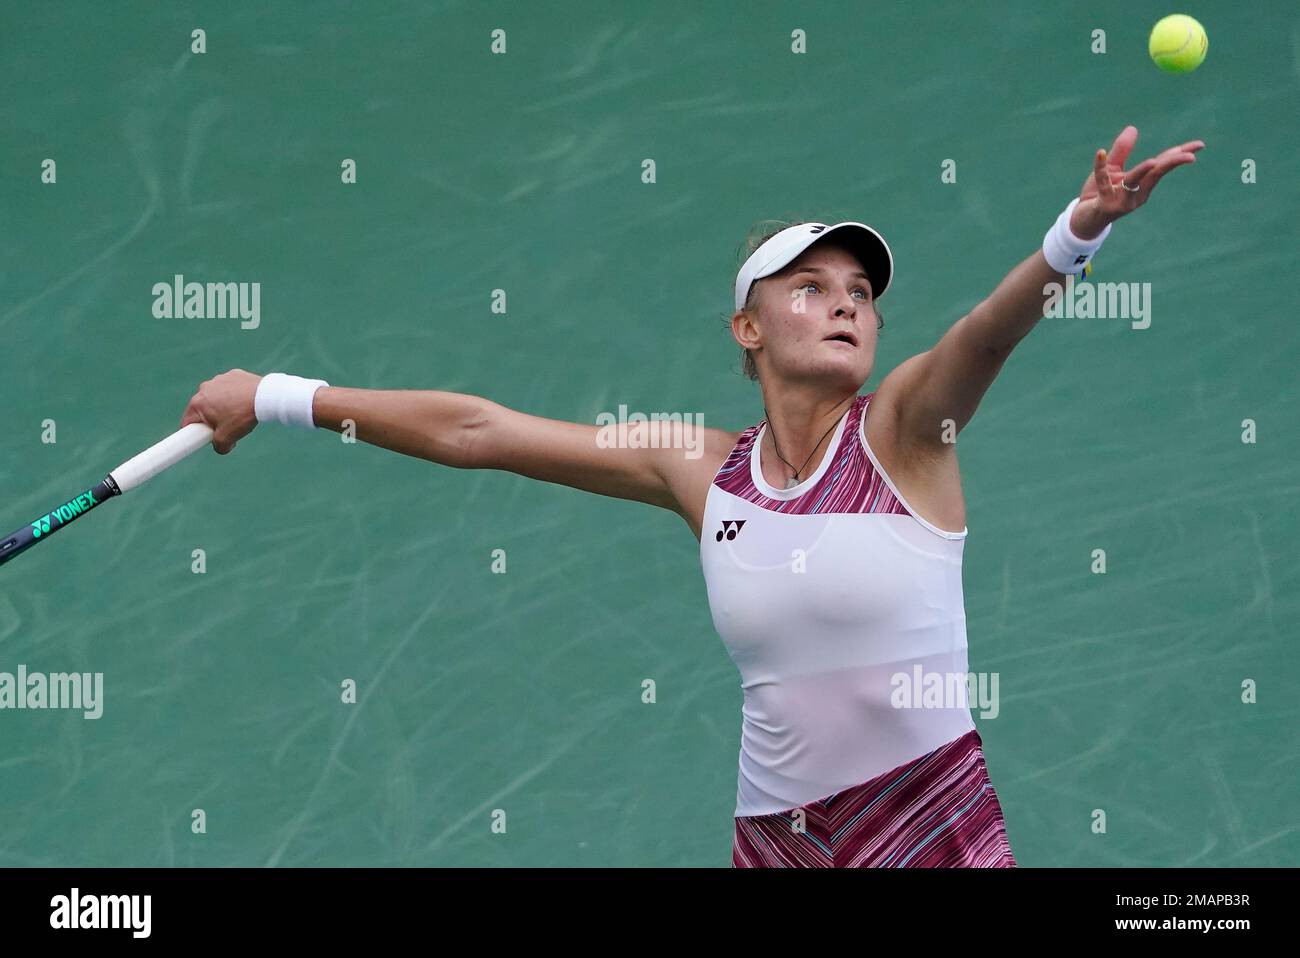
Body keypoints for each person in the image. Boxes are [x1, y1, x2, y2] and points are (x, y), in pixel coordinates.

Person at [181, 125, 1203, 867]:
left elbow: (986, 330)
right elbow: (479, 431)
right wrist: (275, 395)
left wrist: (1078, 233)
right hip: (776, 841)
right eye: (808, 287)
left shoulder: (903, 428)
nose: (845, 301)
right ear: (745, 331)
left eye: (859, 292)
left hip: (926, 825)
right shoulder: (698, 467)